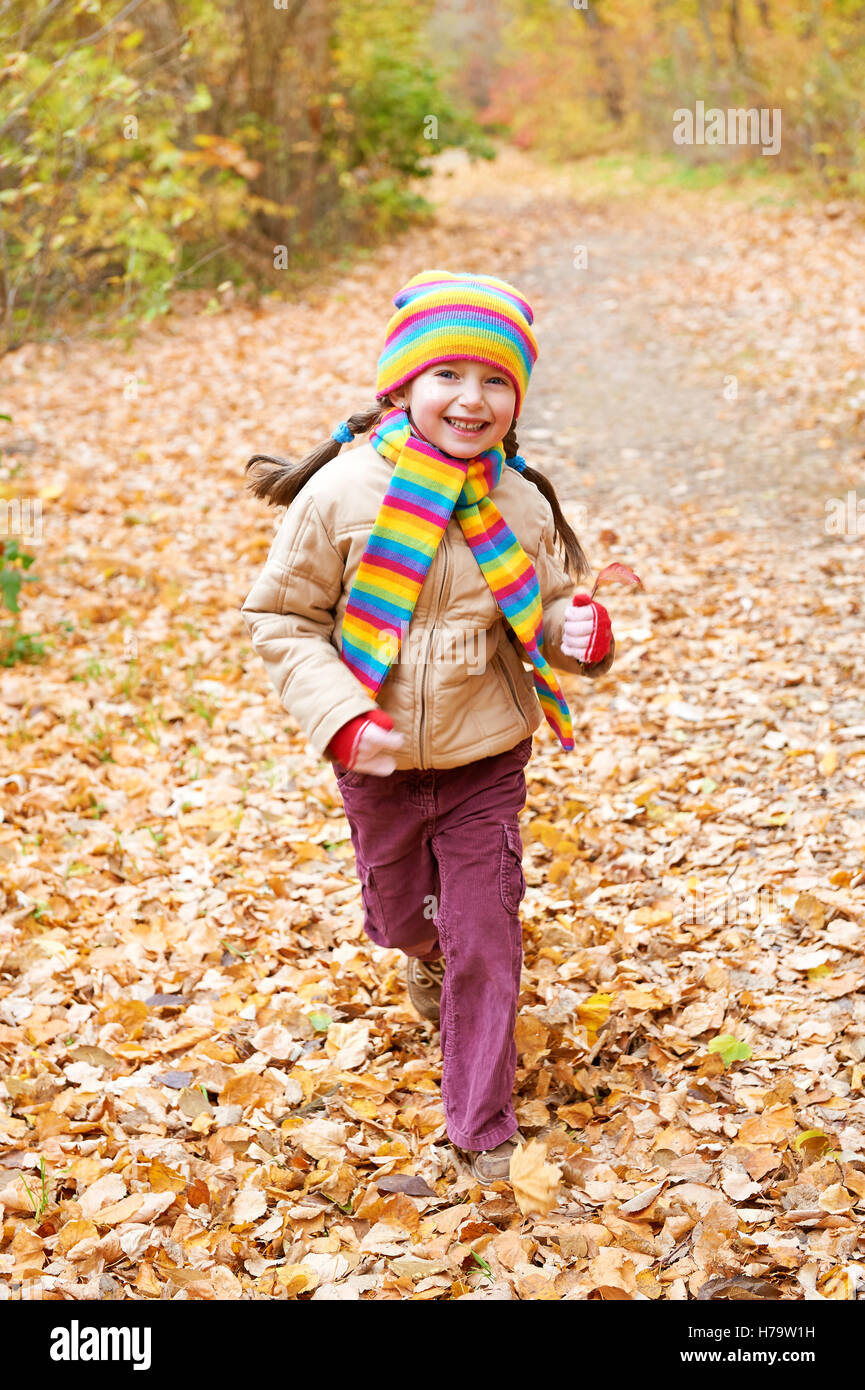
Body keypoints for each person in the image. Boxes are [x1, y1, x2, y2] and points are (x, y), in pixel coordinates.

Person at [240, 270, 616, 1183]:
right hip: (376, 757)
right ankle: (419, 951)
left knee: (485, 935)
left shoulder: (521, 504)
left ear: (515, 401)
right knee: (405, 915)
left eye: (495, 381)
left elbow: (553, 616)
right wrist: (341, 718)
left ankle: (480, 1126)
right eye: (447, 375)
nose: (471, 399)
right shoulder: (340, 494)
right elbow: (281, 622)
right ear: (400, 386)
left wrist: (583, 637)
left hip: (486, 753)